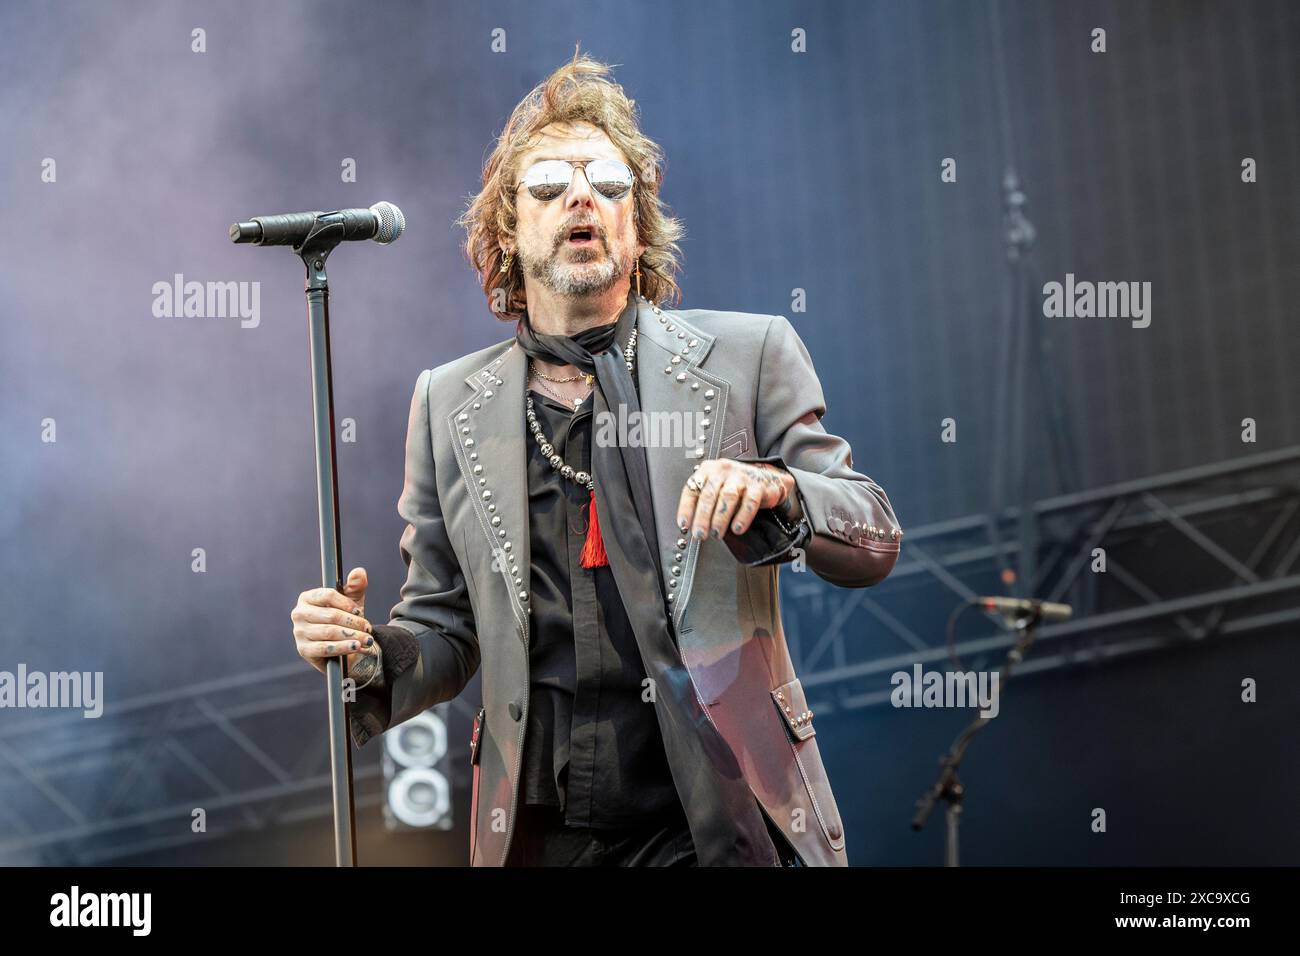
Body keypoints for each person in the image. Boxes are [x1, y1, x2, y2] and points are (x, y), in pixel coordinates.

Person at [290, 52, 901, 867]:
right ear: (508, 226)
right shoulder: (447, 402)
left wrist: (780, 489)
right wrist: (368, 656)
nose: (582, 196)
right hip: (545, 831)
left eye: (609, 183)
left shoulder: (748, 356)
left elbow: (873, 534)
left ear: (636, 223)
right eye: (548, 184)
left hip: (717, 816)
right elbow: (443, 627)